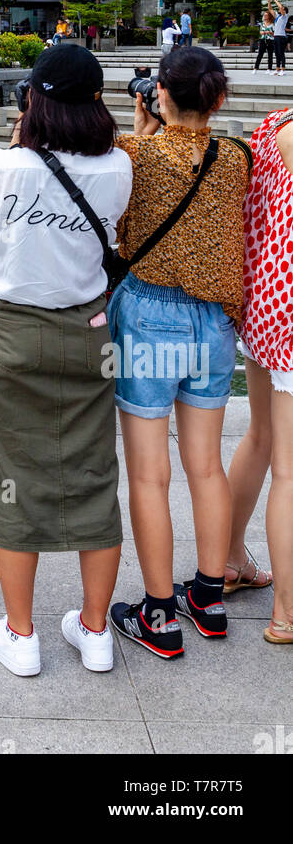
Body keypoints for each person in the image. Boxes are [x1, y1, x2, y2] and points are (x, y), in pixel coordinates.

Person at [0, 45, 132, 677]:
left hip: (9, 333)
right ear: (96, 101)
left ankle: (21, 634)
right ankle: (94, 631)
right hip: (90, 333)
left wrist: (16, 149)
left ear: (33, 99)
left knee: (12, 474)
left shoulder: (5, 165)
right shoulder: (118, 165)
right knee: (94, 471)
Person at [108, 47, 251, 659]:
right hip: (215, 325)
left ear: (159, 92)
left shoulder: (134, 153)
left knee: (149, 472)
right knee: (206, 467)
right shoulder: (236, 157)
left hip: (150, 318)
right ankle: (209, 598)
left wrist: (144, 131)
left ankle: (160, 614)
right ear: (217, 99)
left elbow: (124, 220)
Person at [225, 108, 293, 643]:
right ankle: (286, 616)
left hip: (263, 299)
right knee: (290, 473)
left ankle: (228, 560)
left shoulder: (271, 126)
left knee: (261, 437)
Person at [268, 0, 288, 74]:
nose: (279, 10)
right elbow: (270, 9)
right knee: (276, 53)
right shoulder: (278, 16)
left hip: (281, 37)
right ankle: (277, 69)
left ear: (284, 10)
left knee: (281, 53)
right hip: (276, 36)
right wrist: (269, 2)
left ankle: (283, 69)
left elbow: (280, 7)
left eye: (281, 9)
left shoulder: (285, 16)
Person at [254, 9, 275, 75]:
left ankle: (269, 68)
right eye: (264, 15)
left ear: (269, 16)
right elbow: (260, 32)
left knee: (270, 55)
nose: (265, 16)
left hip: (270, 40)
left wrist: (269, 32)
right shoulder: (262, 24)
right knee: (260, 54)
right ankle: (255, 68)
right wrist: (263, 32)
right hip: (263, 40)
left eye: (266, 15)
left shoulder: (272, 24)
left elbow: (274, 33)